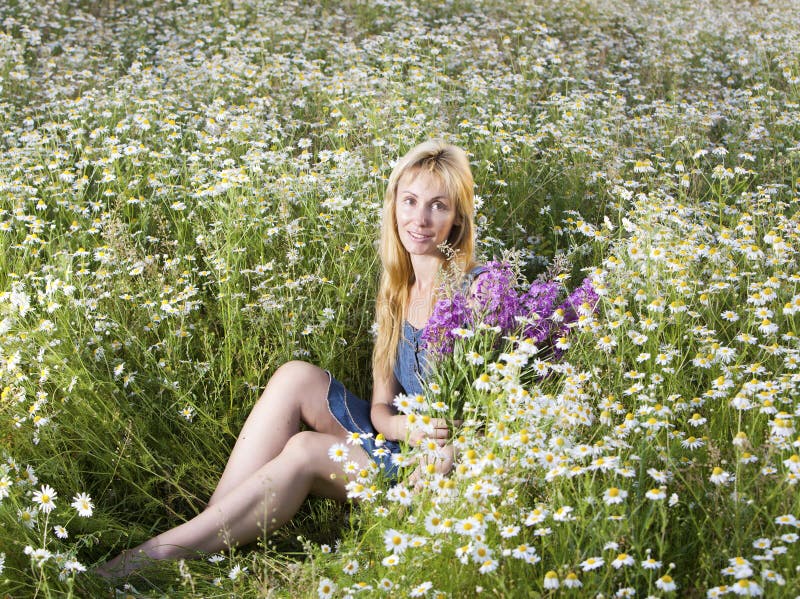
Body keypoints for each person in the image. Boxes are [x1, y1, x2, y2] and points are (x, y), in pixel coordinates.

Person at [96, 139, 481, 578]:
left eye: (438, 206)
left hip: (436, 465)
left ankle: (155, 559)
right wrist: (402, 426)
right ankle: (206, 532)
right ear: (394, 205)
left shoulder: (478, 292)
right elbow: (379, 408)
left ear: (456, 220)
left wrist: (440, 440)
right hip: (405, 439)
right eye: (410, 201)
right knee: (295, 375)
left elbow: (497, 400)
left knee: (302, 451)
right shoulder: (396, 290)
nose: (419, 219)